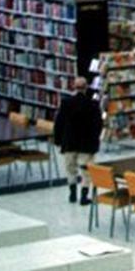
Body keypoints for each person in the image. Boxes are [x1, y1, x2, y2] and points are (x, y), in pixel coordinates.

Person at [53, 76, 103, 206]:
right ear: (86, 87)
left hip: (69, 142)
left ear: (74, 87)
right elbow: (98, 124)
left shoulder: (66, 103)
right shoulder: (93, 104)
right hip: (87, 143)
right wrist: (96, 139)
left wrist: (58, 140)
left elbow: (59, 123)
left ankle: (72, 194)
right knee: (86, 170)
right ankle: (84, 196)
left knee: (71, 169)